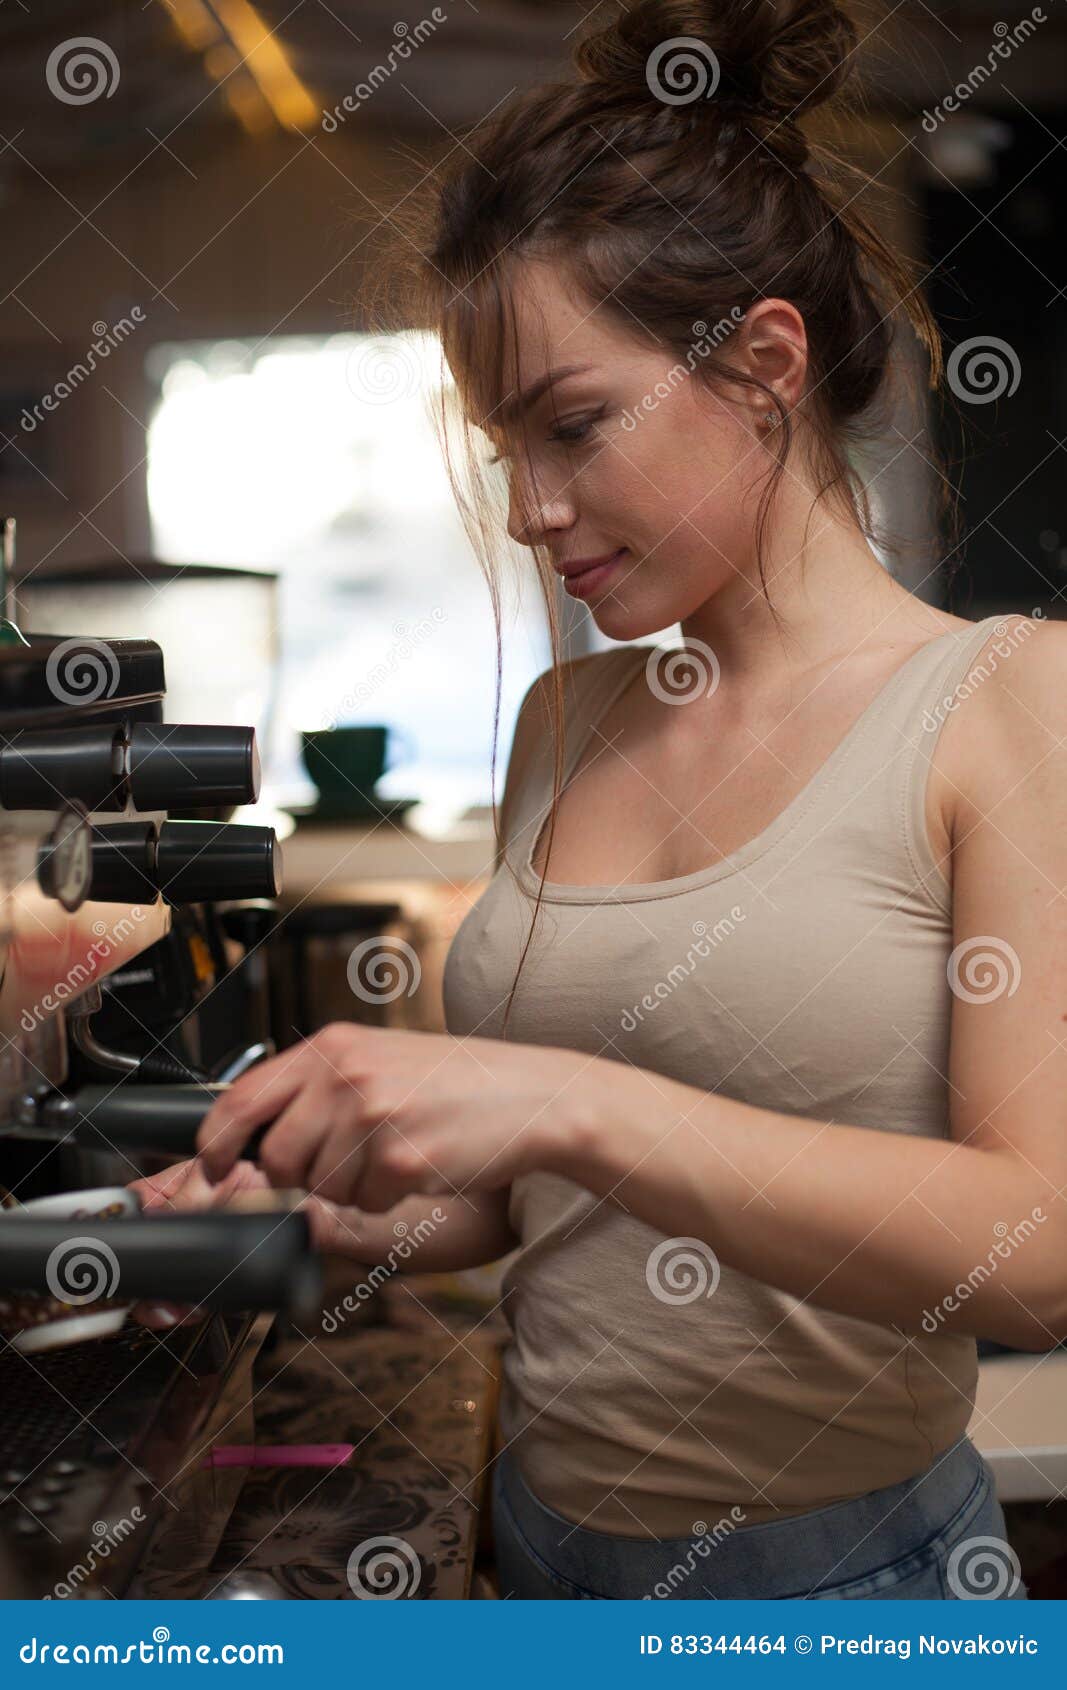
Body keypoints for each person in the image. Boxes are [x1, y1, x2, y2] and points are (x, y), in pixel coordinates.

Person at [130, 0, 1064, 1600]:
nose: (531, 509)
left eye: (574, 425)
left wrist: (573, 1105)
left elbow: (1038, 1252)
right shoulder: (567, 717)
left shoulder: (1008, 700)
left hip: (841, 1585)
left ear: (765, 364)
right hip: (549, 1554)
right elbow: (516, 1200)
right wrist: (304, 1213)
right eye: (507, 449)